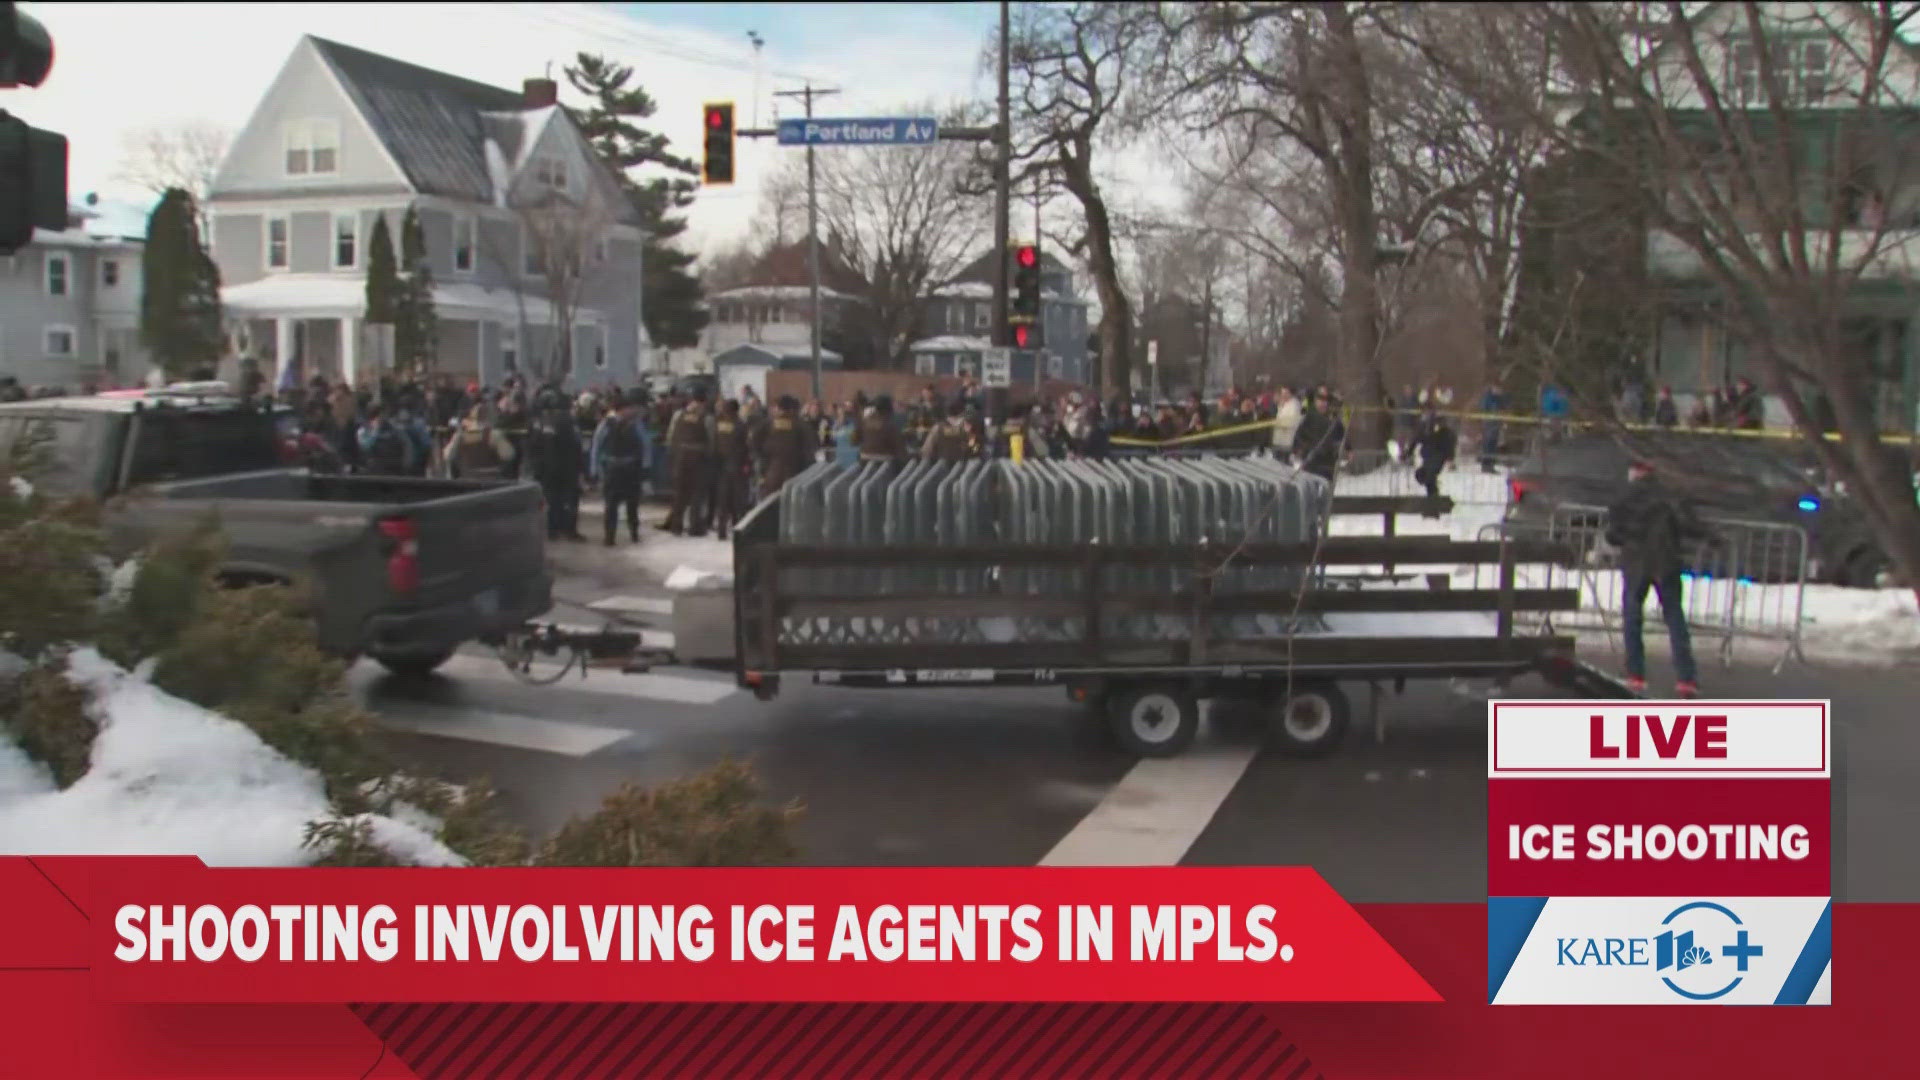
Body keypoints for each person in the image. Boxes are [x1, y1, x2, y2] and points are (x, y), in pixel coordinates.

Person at [1605, 459, 1711, 698]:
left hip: (1635, 563)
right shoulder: (1670, 494)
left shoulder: (1623, 497)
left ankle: (1635, 674)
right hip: (1666, 561)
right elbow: (1689, 525)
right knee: (1674, 618)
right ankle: (1686, 678)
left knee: (1633, 618)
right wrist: (1711, 538)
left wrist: (1626, 538)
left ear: (1635, 472)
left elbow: (1613, 534)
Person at [591, 391, 652, 546]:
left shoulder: (636, 424)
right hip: (613, 469)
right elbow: (597, 447)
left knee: (633, 505)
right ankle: (609, 537)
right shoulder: (606, 424)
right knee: (611, 505)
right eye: (629, 408)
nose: (632, 411)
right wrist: (595, 470)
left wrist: (645, 468)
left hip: (631, 469)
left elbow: (645, 446)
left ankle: (634, 534)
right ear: (621, 409)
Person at [527, 387, 586, 541]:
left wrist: (535, 467)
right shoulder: (568, 421)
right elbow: (576, 445)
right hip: (566, 467)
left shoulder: (537, 423)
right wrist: (581, 468)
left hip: (546, 468)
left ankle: (552, 531)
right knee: (570, 500)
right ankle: (569, 530)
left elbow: (532, 447)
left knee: (552, 500)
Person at [663, 387, 715, 535]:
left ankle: (676, 526)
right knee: (696, 494)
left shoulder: (678, 414)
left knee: (680, 492)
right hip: (698, 460)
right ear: (704, 400)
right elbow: (711, 441)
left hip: (679, 457)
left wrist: (672, 455)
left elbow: (670, 436)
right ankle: (695, 527)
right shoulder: (707, 417)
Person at [756, 395, 815, 498]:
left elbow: (753, 442)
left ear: (778, 408)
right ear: (792, 409)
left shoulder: (767, 424)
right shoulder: (801, 426)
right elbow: (809, 450)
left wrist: (762, 462)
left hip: (772, 474)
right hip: (795, 475)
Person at [708, 399, 751, 540]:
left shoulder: (718, 424)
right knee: (738, 500)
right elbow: (746, 446)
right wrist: (747, 464)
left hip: (721, 466)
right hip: (737, 465)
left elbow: (713, 444)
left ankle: (721, 531)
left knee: (723, 499)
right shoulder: (741, 425)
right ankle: (739, 529)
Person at [445, 403, 516, 481]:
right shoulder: (494, 434)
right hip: (491, 481)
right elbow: (509, 455)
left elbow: (448, 455)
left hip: (467, 481)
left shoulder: (460, 436)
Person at [1291, 388, 1345, 481]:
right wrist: (1300, 450)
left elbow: (1341, 439)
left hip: (1327, 465)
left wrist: (1341, 449)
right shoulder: (1309, 417)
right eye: (1320, 400)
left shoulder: (1334, 421)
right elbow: (1299, 437)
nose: (1323, 404)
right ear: (1315, 402)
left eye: (1325, 401)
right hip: (1310, 464)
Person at [1411, 407, 1457, 515]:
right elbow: (1418, 438)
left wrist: (1450, 458)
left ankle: (1433, 508)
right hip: (1429, 456)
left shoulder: (1440, 429)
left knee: (1429, 478)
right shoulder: (1426, 428)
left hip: (1437, 456)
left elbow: (1448, 441)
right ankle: (1432, 507)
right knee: (1429, 480)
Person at [356, 405, 410, 476]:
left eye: (383, 415)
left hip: (394, 470)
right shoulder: (363, 430)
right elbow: (365, 446)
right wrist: (375, 431)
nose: (382, 418)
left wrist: (405, 464)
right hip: (372, 471)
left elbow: (406, 445)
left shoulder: (394, 429)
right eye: (377, 416)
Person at [858, 395, 906, 462]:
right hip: (882, 461)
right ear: (889, 410)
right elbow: (900, 449)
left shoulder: (866, 423)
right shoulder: (889, 426)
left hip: (864, 459)